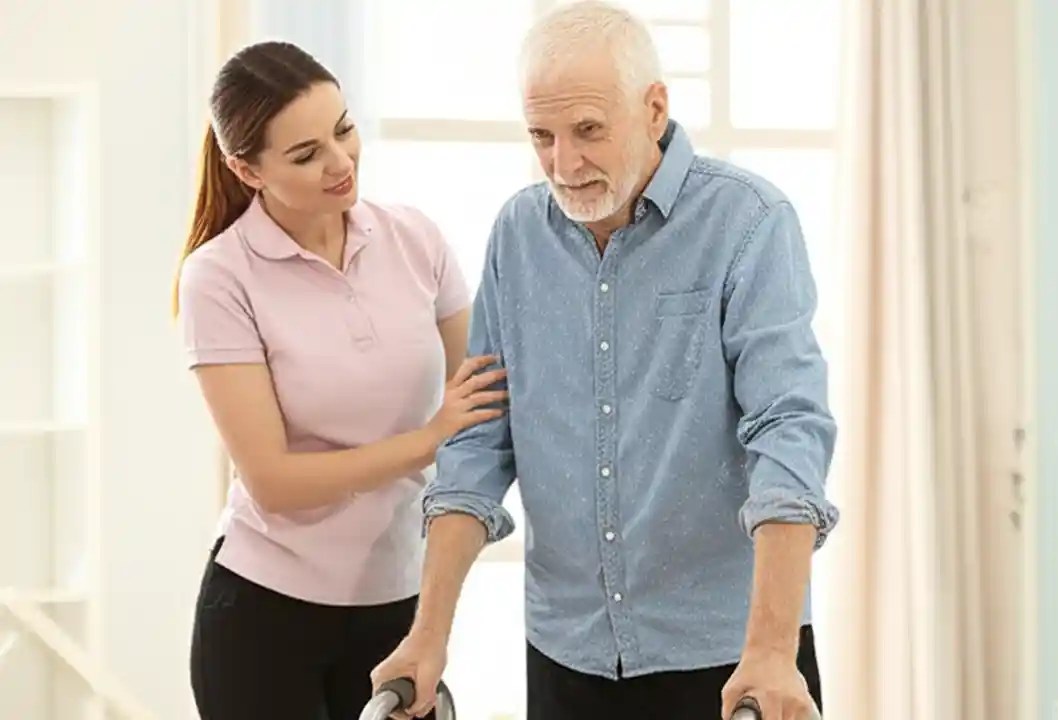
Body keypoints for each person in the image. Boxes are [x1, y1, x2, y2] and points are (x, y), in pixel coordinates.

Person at [371, 3, 839, 720]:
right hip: (569, 652)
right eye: (542, 136)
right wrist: (426, 637)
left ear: (654, 109)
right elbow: (478, 445)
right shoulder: (518, 235)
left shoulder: (747, 223)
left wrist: (774, 649)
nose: (564, 164)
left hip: (731, 654)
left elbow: (788, 431)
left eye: (588, 130)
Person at [174, 40, 505, 720]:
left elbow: (485, 397)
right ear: (247, 169)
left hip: (400, 605)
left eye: (344, 129)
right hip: (265, 618)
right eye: (306, 154)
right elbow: (273, 480)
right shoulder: (219, 277)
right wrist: (429, 439)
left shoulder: (414, 239)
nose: (341, 161)